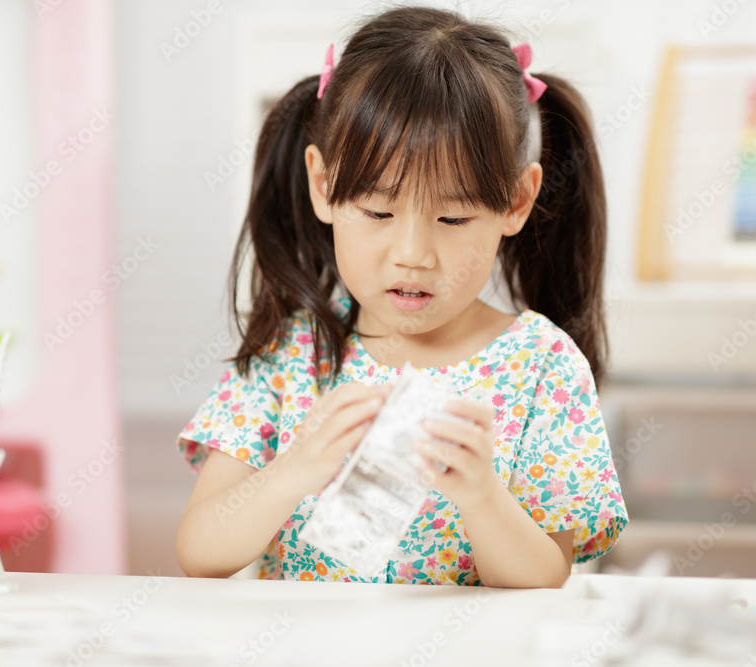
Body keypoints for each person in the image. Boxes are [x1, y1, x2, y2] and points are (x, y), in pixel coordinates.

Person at [175, 5, 627, 588]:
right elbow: (199, 551)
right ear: (324, 186)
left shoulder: (542, 367)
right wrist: (295, 468)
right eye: (378, 211)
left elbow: (543, 580)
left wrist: (481, 495)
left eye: (454, 217)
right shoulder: (293, 355)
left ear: (516, 203)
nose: (413, 252)